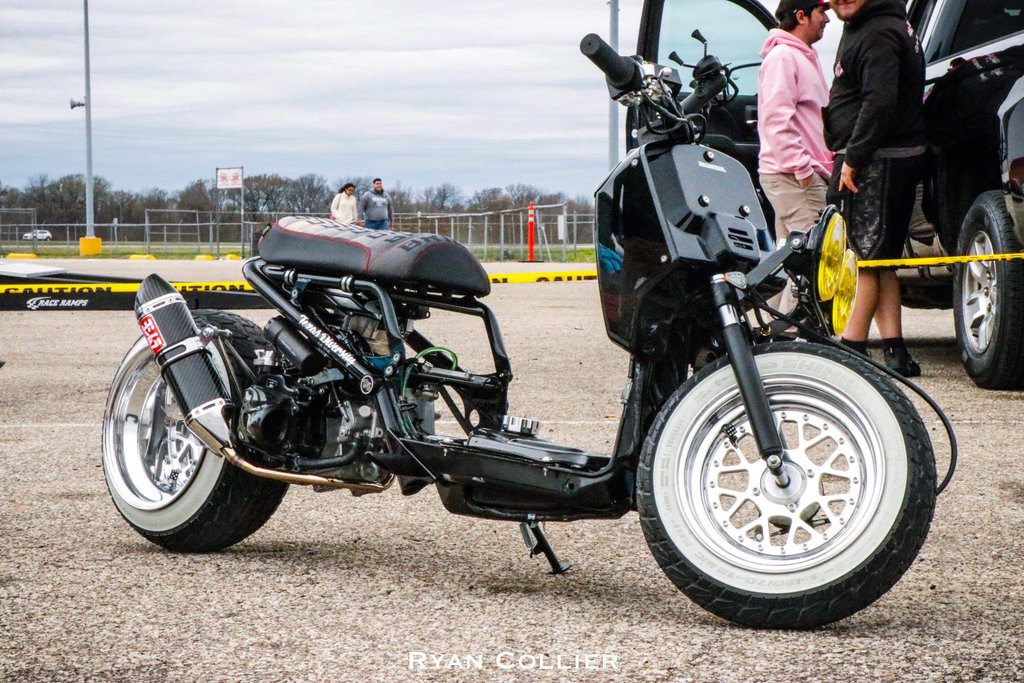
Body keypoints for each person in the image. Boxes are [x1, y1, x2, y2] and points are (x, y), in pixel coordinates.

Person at [824, 0, 927, 377]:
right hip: (887, 155)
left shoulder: (879, 31)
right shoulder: (879, 23)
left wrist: (854, 157)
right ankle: (895, 349)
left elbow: (880, 101)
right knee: (881, 258)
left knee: (863, 256)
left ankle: (851, 350)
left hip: (878, 158)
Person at [757, 0, 833, 324]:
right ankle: (797, 334)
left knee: (789, 257)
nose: (827, 18)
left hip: (796, 174)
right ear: (801, 16)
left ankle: (772, 333)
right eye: (821, 11)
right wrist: (803, 169)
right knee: (811, 261)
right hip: (794, 176)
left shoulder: (801, 56)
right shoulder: (783, 57)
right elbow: (776, 120)